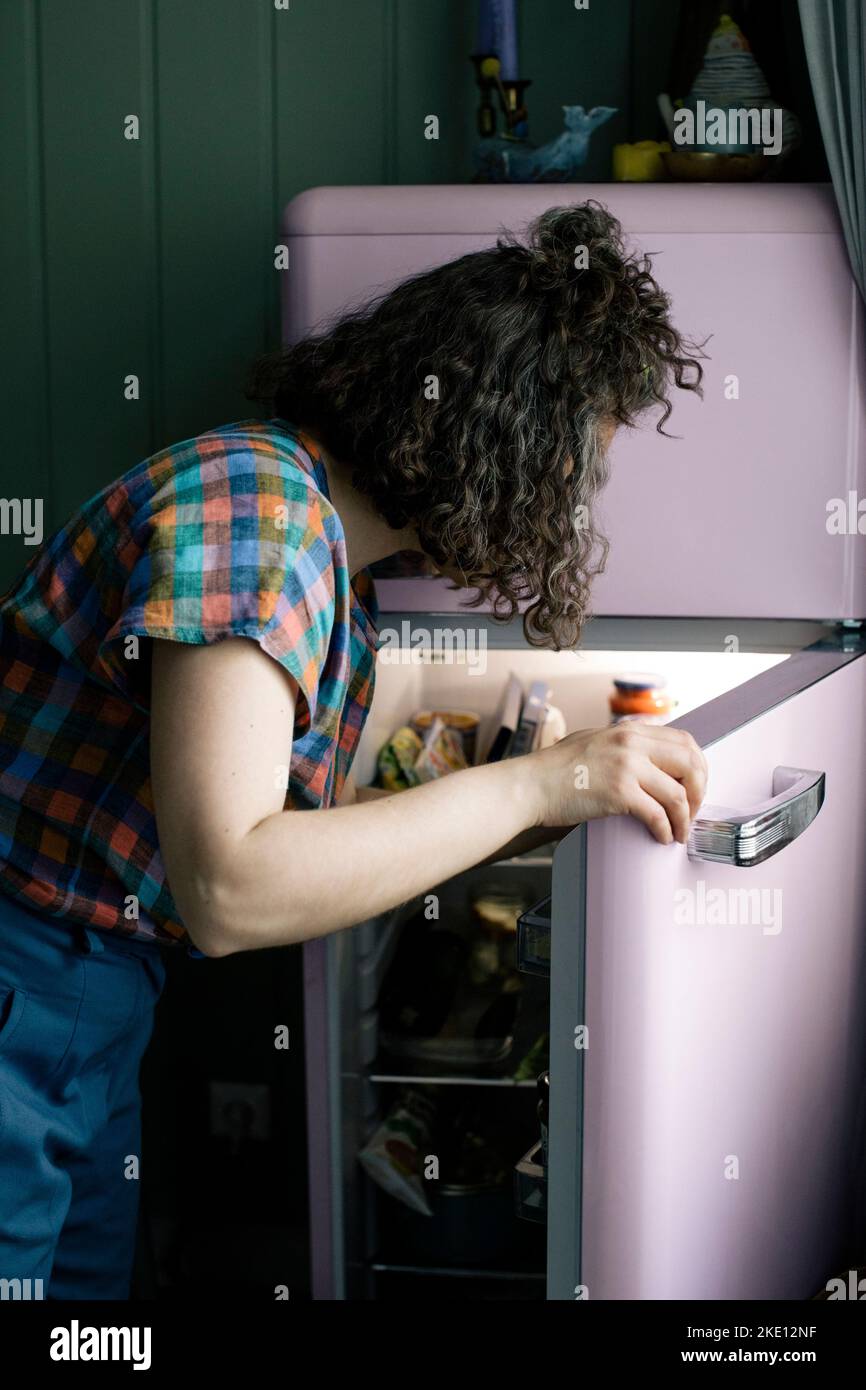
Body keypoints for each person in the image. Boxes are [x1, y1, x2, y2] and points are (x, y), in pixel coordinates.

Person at [0, 202, 707, 1297]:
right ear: (502, 440)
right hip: (23, 974)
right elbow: (232, 882)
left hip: (92, 990)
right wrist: (535, 780)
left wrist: (521, 792)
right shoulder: (260, 518)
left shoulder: (325, 552)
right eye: (574, 468)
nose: (568, 505)